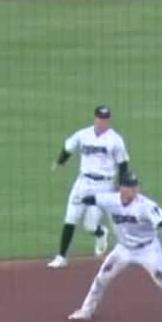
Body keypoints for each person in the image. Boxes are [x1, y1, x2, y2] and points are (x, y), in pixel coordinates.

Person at [67, 174, 162, 322]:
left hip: (148, 250)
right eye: (129, 186)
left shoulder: (145, 206)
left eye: (135, 186)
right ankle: (86, 311)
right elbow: (93, 199)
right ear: (121, 188)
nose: (133, 189)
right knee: (101, 278)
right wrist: (80, 199)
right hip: (123, 249)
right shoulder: (111, 200)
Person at [49, 104, 129, 269]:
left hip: (104, 185)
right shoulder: (83, 135)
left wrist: (122, 186)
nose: (103, 122)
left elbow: (123, 165)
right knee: (71, 217)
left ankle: (101, 233)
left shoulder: (115, 140)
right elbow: (68, 148)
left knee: (90, 225)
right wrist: (59, 163)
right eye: (100, 118)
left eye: (106, 119)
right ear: (95, 118)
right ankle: (61, 257)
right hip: (83, 182)